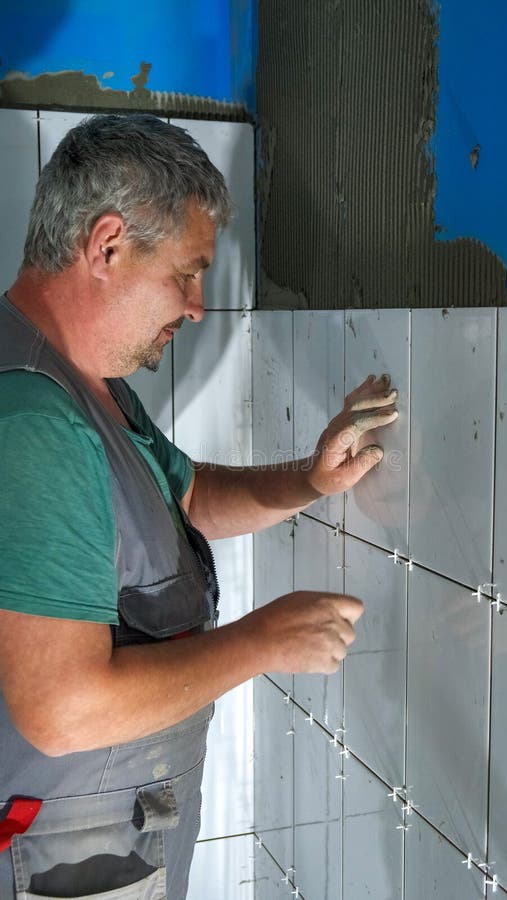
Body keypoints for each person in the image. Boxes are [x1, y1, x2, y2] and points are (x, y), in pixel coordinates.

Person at [0, 113, 398, 899]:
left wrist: (309, 479)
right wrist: (259, 642)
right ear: (107, 245)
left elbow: (185, 497)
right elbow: (59, 710)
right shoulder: (36, 424)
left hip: (107, 840)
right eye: (187, 272)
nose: (195, 306)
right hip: (65, 863)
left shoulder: (83, 385)